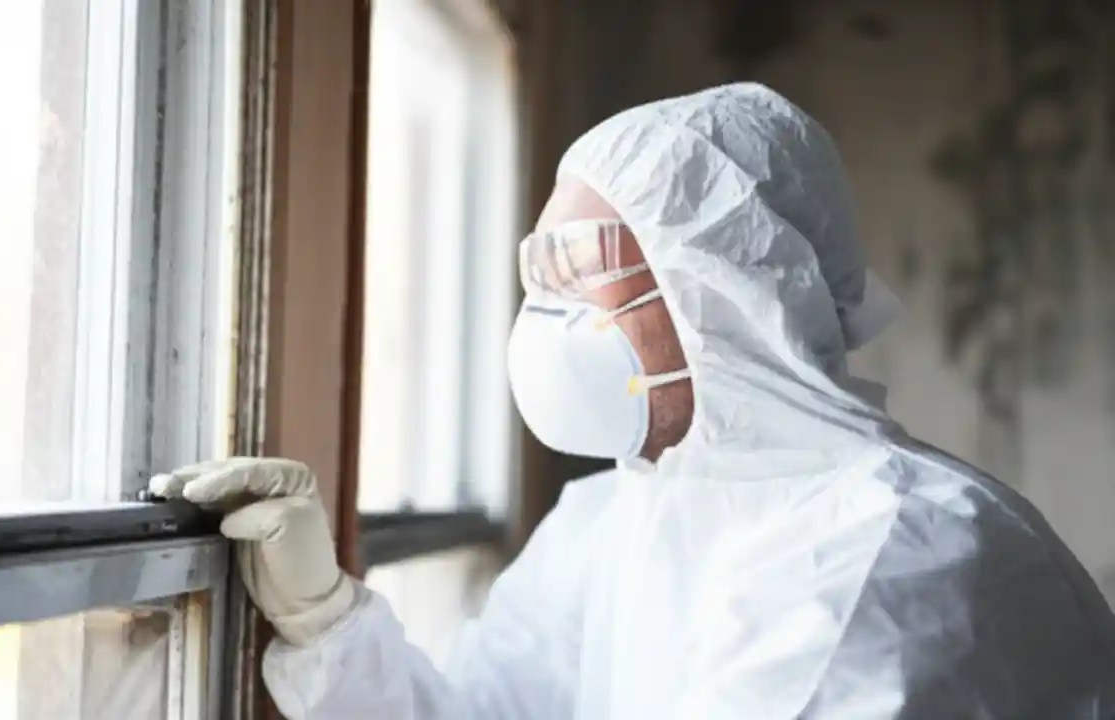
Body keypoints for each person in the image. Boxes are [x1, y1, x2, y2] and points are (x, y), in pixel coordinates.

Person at [151, 83, 1115, 718]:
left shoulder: (900, 551)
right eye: (539, 274)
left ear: (730, 296)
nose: (546, 317)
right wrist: (325, 619)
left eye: (582, 272)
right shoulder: (617, 520)